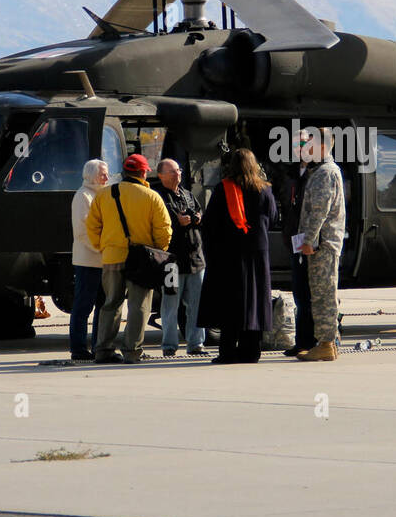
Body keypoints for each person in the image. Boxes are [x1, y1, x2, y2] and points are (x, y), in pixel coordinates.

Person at [86, 153, 172, 363]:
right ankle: (132, 351)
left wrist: (102, 246)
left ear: (125, 171)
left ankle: (103, 350)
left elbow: (92, 226)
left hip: (112, 256)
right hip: (141, 260)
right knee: (139, 305)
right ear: (143, 172)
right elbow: (164, 230)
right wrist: (158, 250)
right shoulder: (151, 197)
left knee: (110, 304)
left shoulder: (105, 194)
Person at [197, 149, 277, 363]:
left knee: (231, 302)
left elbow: (210, 224)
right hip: (258, 253)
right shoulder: (265, 190)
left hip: (229, 254)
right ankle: (252, 351)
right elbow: (273, 217)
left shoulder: (224, 189)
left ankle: (228, 352)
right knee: (255, 301)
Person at [295, 128, 346, 362]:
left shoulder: (325, 172)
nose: (306, 149)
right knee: (324, 292)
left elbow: (319, 211)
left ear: (323, 146)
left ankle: (326, 343)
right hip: (325, 243)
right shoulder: (325, 170)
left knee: (323, 294)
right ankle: (327, 343)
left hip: (322, 244)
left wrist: (308, 241)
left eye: (311, 144)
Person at [154, 158, 207, 357]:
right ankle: (169, 345)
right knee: (170, 305)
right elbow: (160, 224)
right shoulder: (159, 196)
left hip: (195, 260)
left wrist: (197, 217)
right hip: (171, 261)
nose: (178, 174)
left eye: (178, 170)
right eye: (173, 171)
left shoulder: (186, 194)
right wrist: (178, 223)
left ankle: (196, 343)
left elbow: (199, 211)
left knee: (196, 304)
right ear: (161, 175)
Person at [277, 130, 316, 356]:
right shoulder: (291, 173)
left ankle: (313, 341)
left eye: (302, 143)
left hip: (311, 242)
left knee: (312, 295)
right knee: (300, 293)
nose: (297, 148)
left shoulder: (317, 172)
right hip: (295, 239)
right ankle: (302, 341)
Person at [69, 159, 109, 361]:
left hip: (103, 260)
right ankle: (78, 348)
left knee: (103, 307)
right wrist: (103, 248)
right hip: (88, 261)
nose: (107, 177)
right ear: (92, 175)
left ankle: (98, 346)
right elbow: (82, 232)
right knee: (83, 307)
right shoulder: (82, 196)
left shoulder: (101, 195)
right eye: (103, 174)